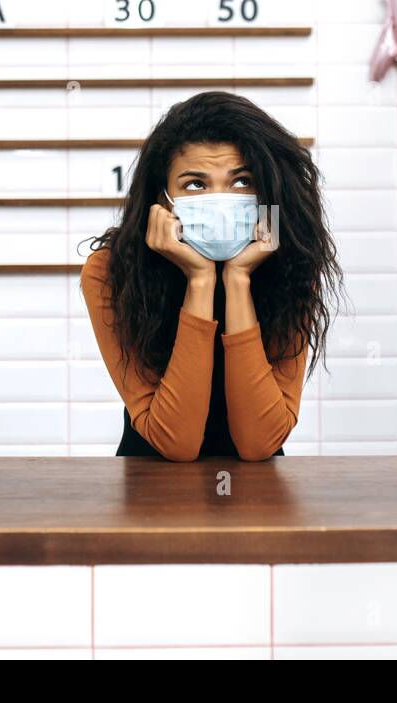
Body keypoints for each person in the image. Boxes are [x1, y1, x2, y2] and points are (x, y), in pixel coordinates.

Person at [81, 91, 343, 461]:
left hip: (261, 500)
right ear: (163, 198)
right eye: (195, 184)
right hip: (149, 492)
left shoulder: (290, 263)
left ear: (268, 190)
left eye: (241, 182)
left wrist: (238, 280)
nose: (221, 198)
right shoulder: (111, 272)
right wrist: (200, 280)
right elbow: (176, 444)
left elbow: (258, 444)